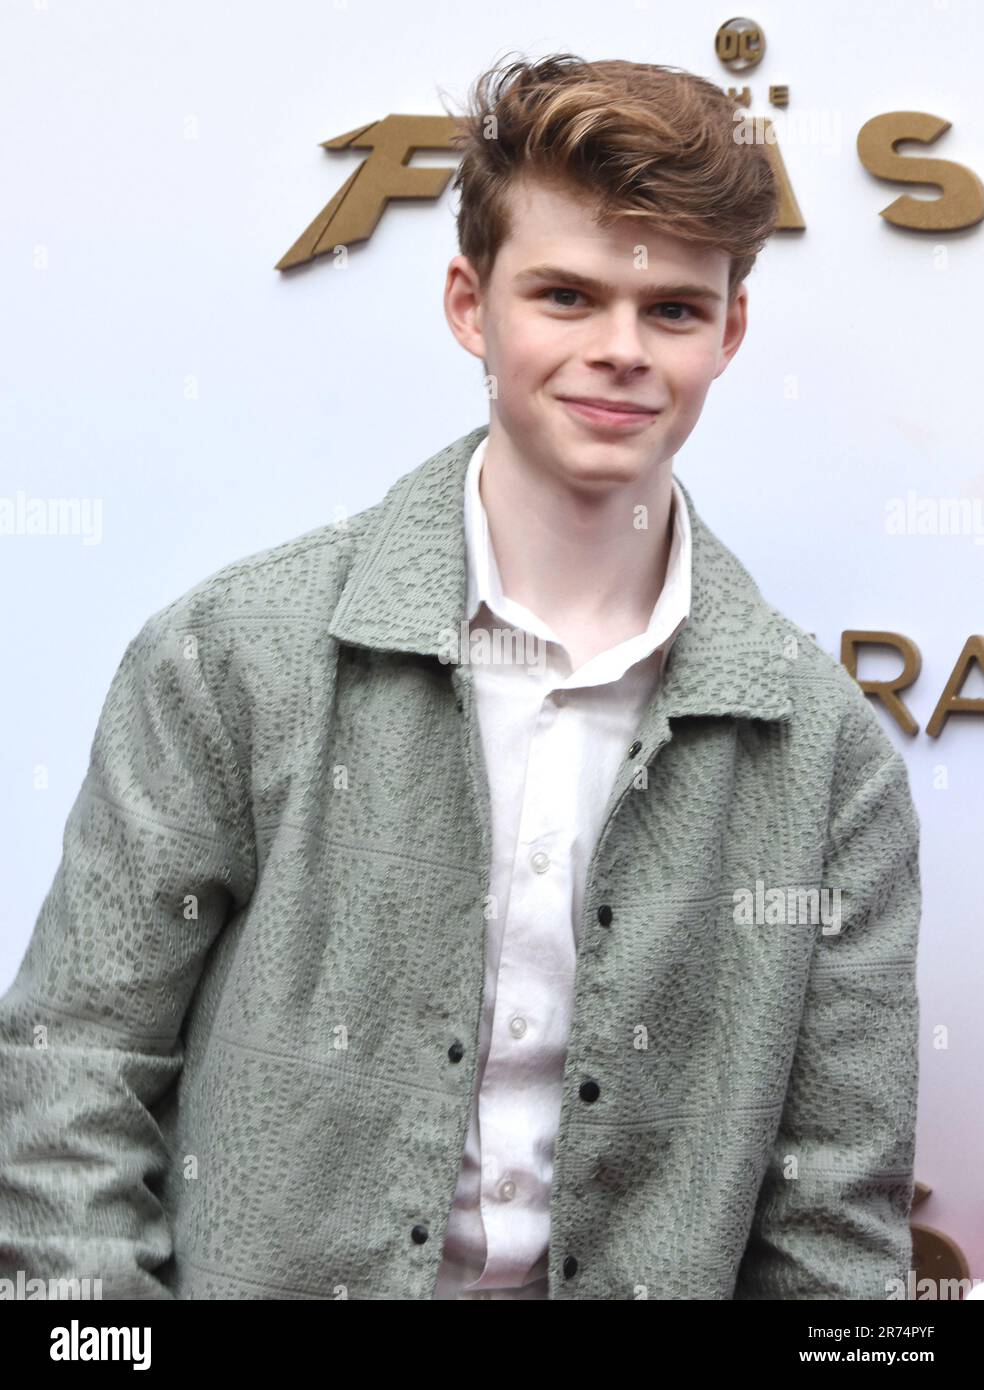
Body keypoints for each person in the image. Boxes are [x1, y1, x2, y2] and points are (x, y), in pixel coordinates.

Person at [0, 52, 921, 1301]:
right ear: (468, 305)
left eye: (671, 311)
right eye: (565, 296)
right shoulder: (232, 654)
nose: (620, 352)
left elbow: (834, 1225)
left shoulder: (828, 759)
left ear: (730, 331)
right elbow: (74, 1075)